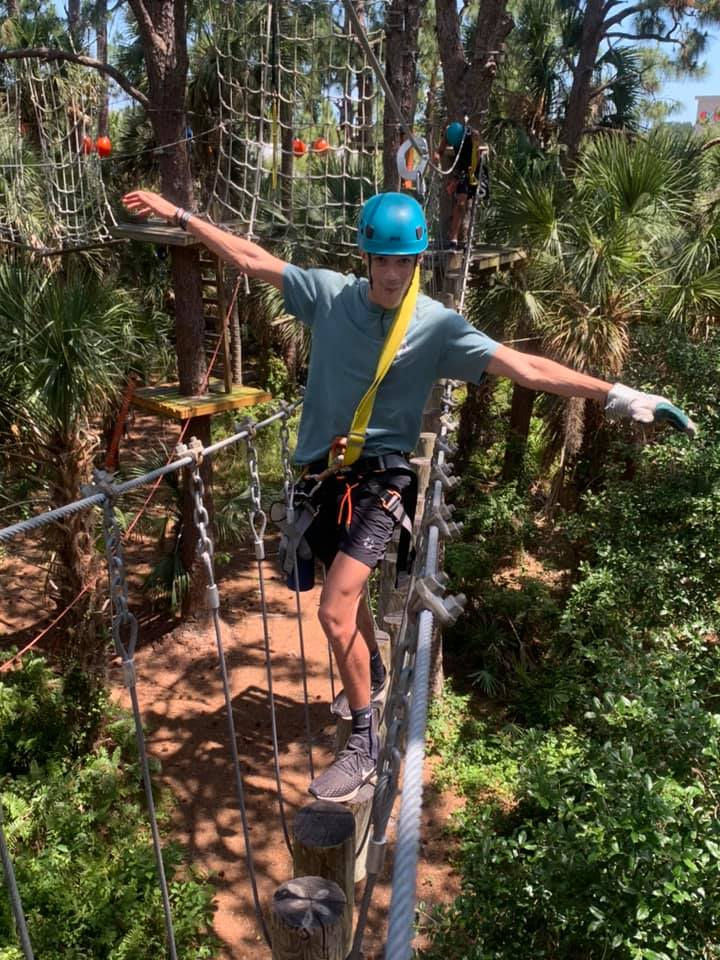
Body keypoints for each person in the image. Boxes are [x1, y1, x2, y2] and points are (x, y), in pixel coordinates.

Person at [121, 188, 696, 803]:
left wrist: (621, 395)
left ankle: (364, 742)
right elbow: (252, 260)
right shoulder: (328, 295)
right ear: (365, 258)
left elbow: (525, 368)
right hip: (321, 478)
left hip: (383, 481)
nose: (393, 274)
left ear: (418, 262)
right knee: (346, 595)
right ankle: (366, 669)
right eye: (383, 260)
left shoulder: (437, 327)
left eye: (404, 262)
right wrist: (182, 215)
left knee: (334, 609)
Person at [433, 121, 488, 250]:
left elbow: (475, 159)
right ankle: (453, 239)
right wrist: (436, 157)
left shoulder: (473, 135)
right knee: (460, 202)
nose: (452, 145)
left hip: (476, 166)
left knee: (475, 202)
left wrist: (462, 178)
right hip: (463, 168)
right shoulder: (448, 135)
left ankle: (472, 239)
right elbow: (440, 151)